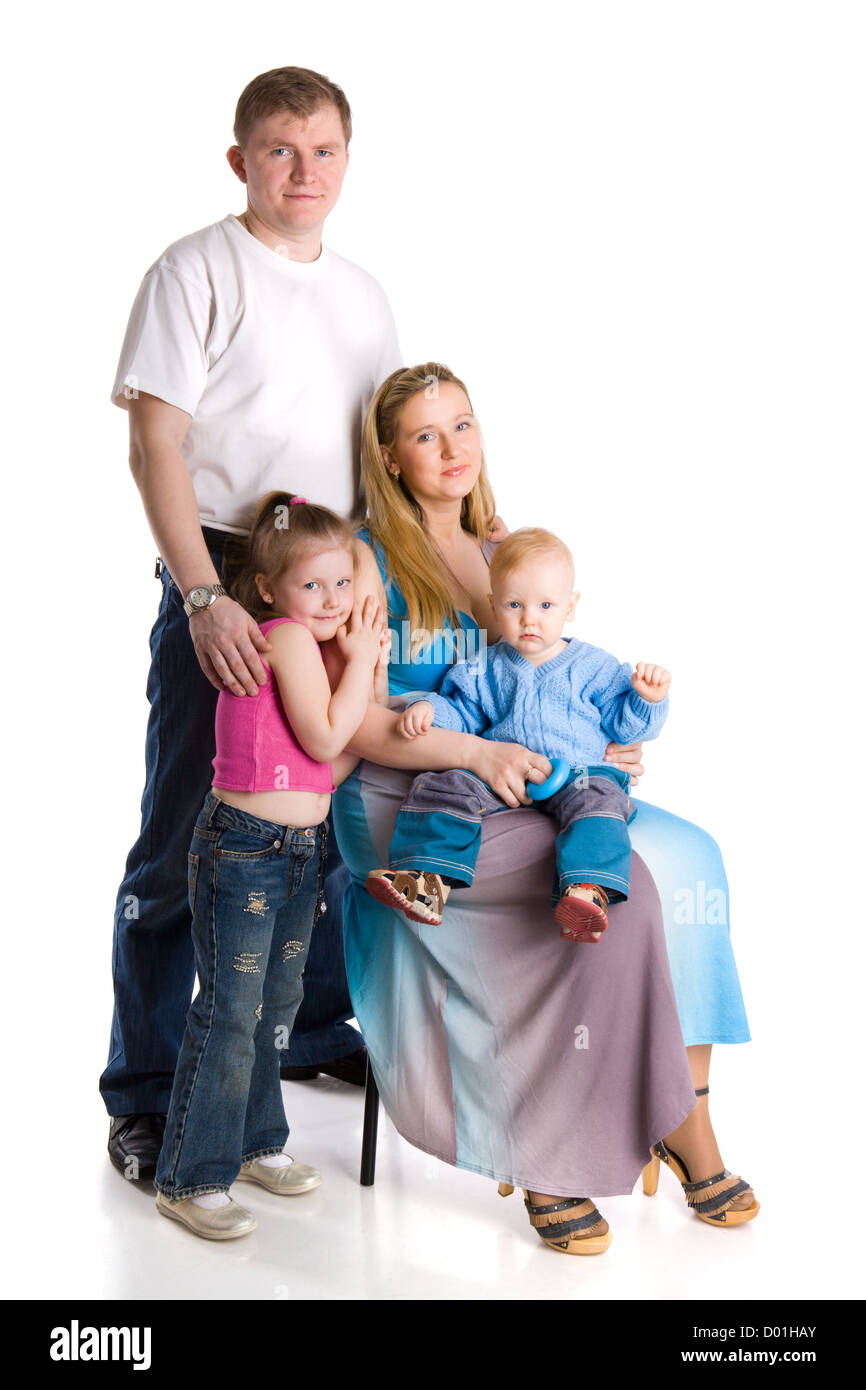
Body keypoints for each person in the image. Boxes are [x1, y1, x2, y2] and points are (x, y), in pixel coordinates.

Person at [329, 362, 759, 1253]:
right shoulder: (368, 559)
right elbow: (355, 726)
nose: (451, 449)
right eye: (424, 434)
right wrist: (475, 751)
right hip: (414, 797)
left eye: (464, 425)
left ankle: (683, 1113)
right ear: (389, 456)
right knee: (615, 885)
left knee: (692, 861)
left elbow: (550, 677)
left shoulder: (501, 550)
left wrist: (609, 739)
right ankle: (549, 1155)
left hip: (526, 782)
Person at [102, 66, 402, 1182]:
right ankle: (143, 1091)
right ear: (240, 160)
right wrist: (201, 598)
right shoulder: (195, 270)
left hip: (331, 575)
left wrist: (367, 568)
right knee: (189, 830)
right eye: (280, 150)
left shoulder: (363, 294)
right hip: (227, 573)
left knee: (315, 815)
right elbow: (156, 446)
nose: (304, 172)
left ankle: (310, 1032)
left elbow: (366, 455)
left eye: (324, 150)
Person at [155, 493, 385, 1239]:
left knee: (275, 1008)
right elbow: (326, 738)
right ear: (267, 590)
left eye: (343, 584)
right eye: (312, 585)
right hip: (245, 849)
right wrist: (364, 661)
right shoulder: (283, 639)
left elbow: (337, 762)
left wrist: (363, 679)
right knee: (229, 1011)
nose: (331, 601)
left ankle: (256, 1142)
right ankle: (190, 1177)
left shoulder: (318, 657)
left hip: (298, 852)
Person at [366, 525, 671, 941]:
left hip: (577, 775)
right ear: (494, 606)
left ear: (571, 606)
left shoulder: (595, 666)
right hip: (503, 778)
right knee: (446, 784)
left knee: (601, 804)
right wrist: (428, 710)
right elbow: (462, 711)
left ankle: (586, 891)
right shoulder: (484, 666)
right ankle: (427, 881)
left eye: (546, 605)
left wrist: (646, 699)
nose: (530, 618)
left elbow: (624, 726)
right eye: (514, 605)